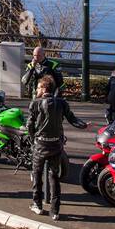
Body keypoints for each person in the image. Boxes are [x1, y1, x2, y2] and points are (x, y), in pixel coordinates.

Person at [27, 75, 88, 220]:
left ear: (43, 88)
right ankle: (55, 211)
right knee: (54, 177)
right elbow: (72, 119)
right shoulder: (62, 103)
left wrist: (32, 140)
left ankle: (37, 204)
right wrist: (84, 125)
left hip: (41, 144)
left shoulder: (35, 104)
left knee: (37, 175)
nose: (36, 90)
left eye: (38, 87)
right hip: (56, 145)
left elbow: (30, 125)